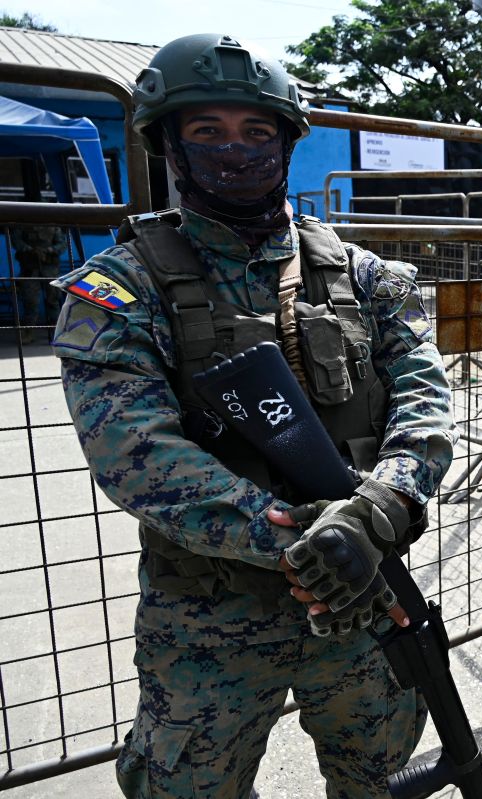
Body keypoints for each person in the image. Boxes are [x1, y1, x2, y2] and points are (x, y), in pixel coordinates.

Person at [50, 34, 455, 798]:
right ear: (169, 143)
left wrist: (377, 510)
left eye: (256, 132)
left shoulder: (361, 274)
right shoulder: (121, 289)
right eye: (207, 132)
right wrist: (309, 542)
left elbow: (426, 404)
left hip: (365, 601)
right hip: (211, 624)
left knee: (382, 780)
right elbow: (136, 455)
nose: (235, 150)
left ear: (286, 141)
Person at [11, 222, 67, 343]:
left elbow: (62, 244)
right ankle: (28, 332)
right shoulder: (23, 224)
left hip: (50, 268)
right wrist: (30, 250)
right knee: (30, 302)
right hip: (30, 268)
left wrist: (49, 250)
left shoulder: (52, 225)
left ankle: (56, 333)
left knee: (53, 301)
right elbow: (16, 241)